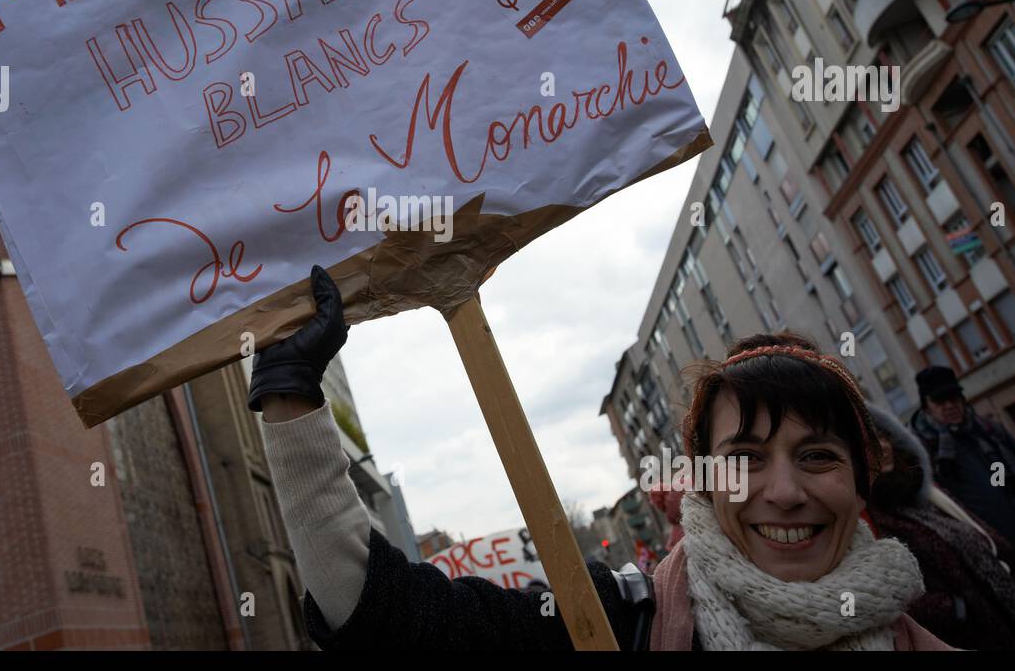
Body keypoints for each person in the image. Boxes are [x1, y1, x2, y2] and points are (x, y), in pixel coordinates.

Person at [252, 266, 952, 650]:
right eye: (743, 457)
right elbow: (372, 610)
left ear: (863, 474)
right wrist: (291, 400)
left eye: (818, 455)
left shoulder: (949, 624)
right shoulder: (607, 622)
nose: (785, 489)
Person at [864, 404, 1015, 650]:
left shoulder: (926, 491)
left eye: (882, 436)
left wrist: (999, 558)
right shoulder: (872, 518)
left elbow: (983, 526)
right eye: (867, 443)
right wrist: (958, 609)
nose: (880, 447)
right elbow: (893, 596)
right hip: (972, 636)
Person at [908, 365, 1015, 634]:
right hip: (1005, 566)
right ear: (926, 405)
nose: (950, 405)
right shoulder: (923, 453)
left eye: (954, 397)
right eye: (940, 401)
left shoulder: (987, 430)